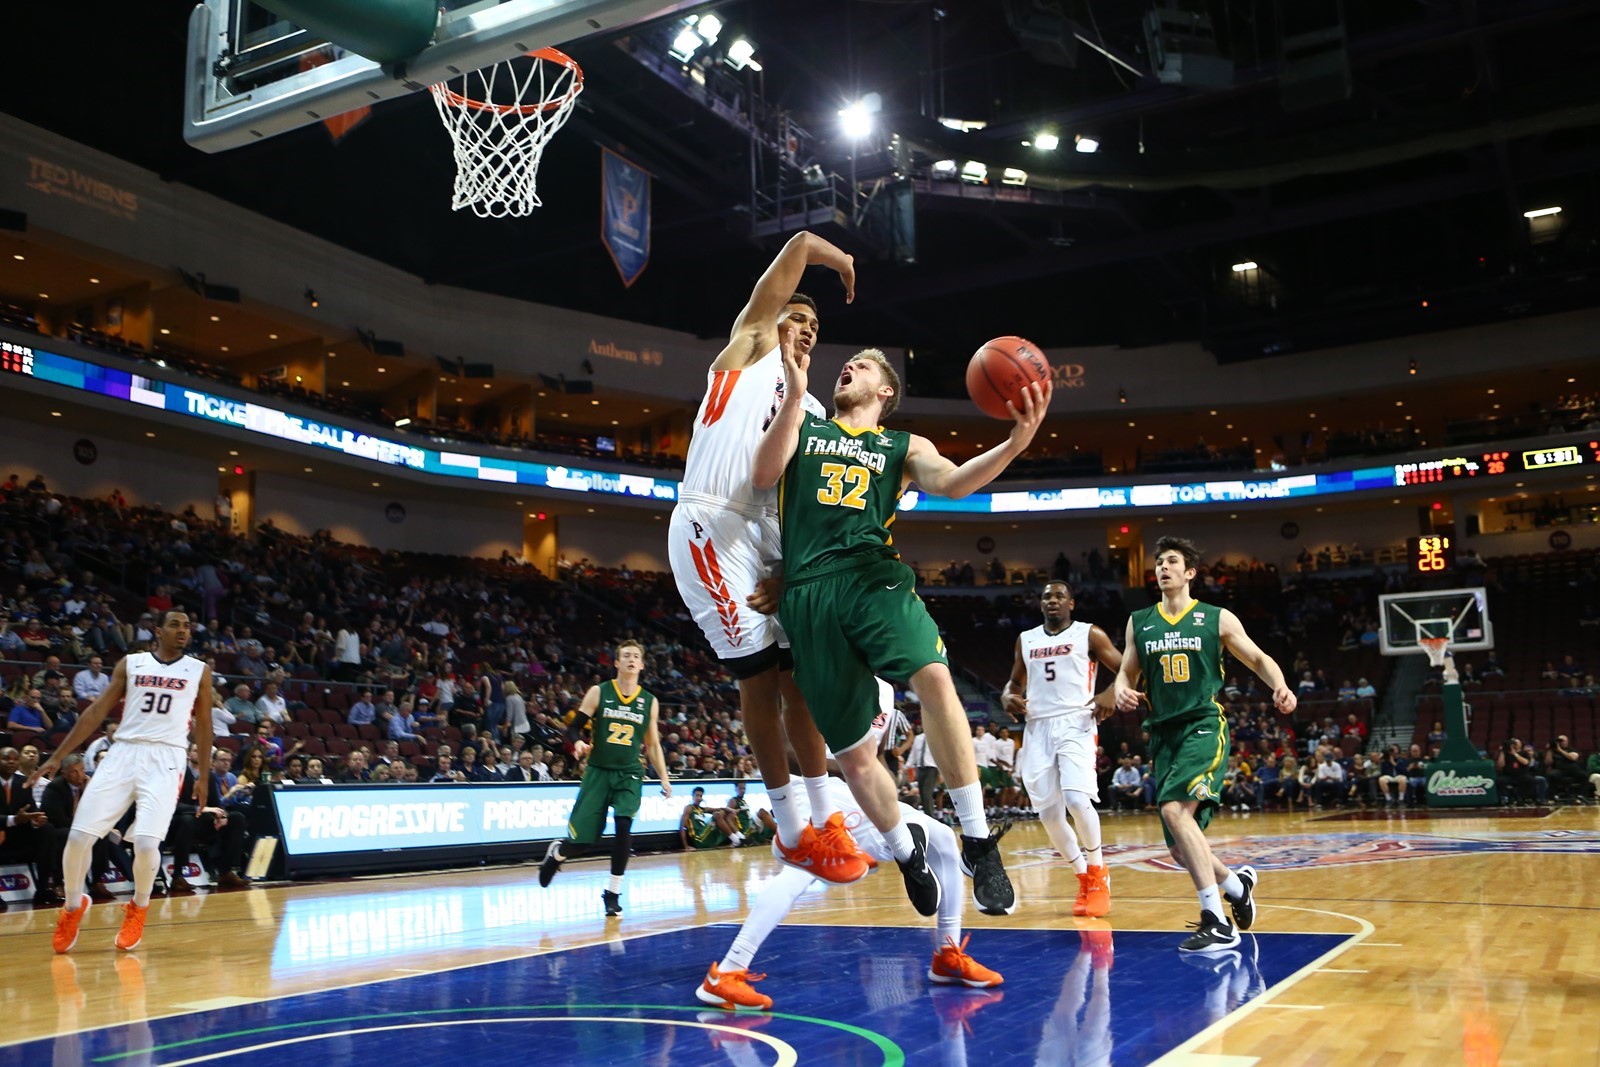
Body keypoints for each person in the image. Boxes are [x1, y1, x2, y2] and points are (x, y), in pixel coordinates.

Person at [751, 331, 1049, 917]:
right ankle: (903, 850)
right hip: (808, 596)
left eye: (860, 366)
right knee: (857, 757)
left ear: (884, 391)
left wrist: (1014, 443)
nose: (847, 368)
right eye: (847, 363)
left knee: (935, 677)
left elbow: (952, 482)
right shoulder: (804, 429)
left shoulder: (901, 445)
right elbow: (764, 476)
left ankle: (978, 838)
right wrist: (794, 396)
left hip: (873, 578)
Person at [665, 229, 872, 885]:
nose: (808, 329)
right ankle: (788, 832)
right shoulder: (749, 348)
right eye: (799, 317)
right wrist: (832, 256)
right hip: (710, 523)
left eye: (816, 324)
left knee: (800, 677)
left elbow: (805, 507)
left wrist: (790, 572)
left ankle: (823, 814)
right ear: (775, 317)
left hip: (767, 541)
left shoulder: (811, 408)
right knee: (758, 677)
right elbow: (796, 249)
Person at [696, 728, 1002, 1012]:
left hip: (856, 786)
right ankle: (726, 972)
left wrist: (881, 782)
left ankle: (947, 955)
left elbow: (875, 754)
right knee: (801, 871)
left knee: (945, 838)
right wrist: (847, 766)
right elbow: (780, 748)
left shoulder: (882, 690)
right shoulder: (805, 676)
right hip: (808, 788)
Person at [1113, 537, 1295, 953]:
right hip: (1163, 734)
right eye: (1159, 562)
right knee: (1179, 848)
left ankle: (1216, 921)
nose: (1163, 568)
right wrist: (1123, 690)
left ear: (1190, 572)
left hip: (1202, 725)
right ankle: (1236, 886)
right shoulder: (1139, 621)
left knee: (1175, 810)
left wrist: (1280, 685)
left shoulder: (1215, 618)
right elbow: (1126, 672)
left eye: (1172, 561)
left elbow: (1259, 659)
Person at [27, 609, 213, 954]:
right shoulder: (132, 663)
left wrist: (201, 773)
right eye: (174, 624)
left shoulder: (199, 671)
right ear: (157, 630)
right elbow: (96, 712)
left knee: (145, 845)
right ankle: (71, 907)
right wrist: (57, 754)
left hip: (167, 758)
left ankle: (139, 907)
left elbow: (204, 725)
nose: (183, 630)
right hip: (123, 752)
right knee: (78, 838)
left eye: (187, 625)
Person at [1001, 580, 1123, 917]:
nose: (1052, 601)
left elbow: (1128, 668)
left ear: (1072, 603)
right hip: (1037, 726)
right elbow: (1013, 682)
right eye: (1046, 597)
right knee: (1049, 814)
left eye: (1059, 596)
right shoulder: (1026, 640)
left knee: (1076, 798)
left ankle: (1099, 873)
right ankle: (1083, 876)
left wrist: (1112, 692)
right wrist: (1006, 696)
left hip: (1077, 721)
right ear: (1040, 605)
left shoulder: (1090, 634)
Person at [538, 640, 672, 917]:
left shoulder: (649, 701)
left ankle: (612, 892)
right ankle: (558, 854)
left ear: (643, 664)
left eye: (636, 656)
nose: (631, 659)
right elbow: (573, 729)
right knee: (583, 842)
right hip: (598, 771)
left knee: (624, 825)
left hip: (630, 772)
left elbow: (654, 745)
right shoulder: (600, 692)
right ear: (616, 662)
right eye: (626, 656)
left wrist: (664, 777)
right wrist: (577, 744)